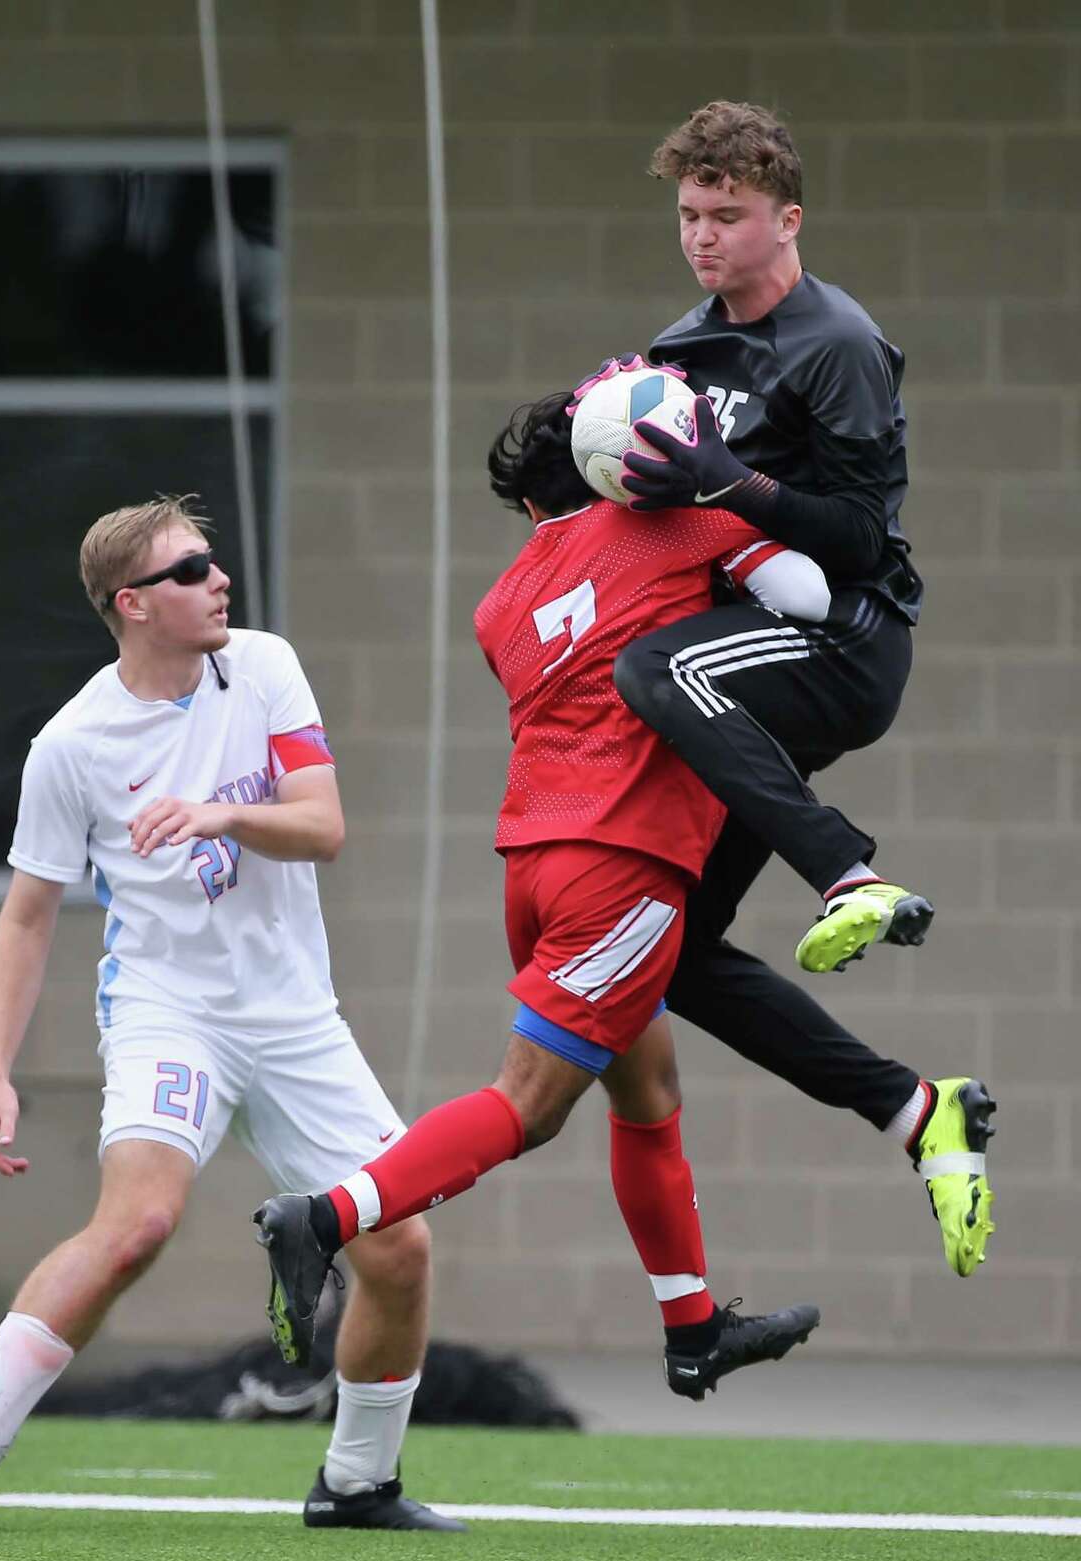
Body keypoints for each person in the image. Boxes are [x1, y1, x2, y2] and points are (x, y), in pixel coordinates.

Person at [254, 392, 827, 1405]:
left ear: (529, 506)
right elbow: (811, 596)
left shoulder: (502, 601)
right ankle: (330, 1217)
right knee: (530, 1105)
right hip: (627, 861)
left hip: (534, 863)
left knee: (646, 1090)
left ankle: (694, 1330)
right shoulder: (680, 520)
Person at [0, 497, 464, 1536]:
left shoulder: (262, 666)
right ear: (133, 604)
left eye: (214, 563)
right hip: (171, 1015)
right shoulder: (70, 744)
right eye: (193, 568)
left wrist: (221, 811)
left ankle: (356, 1483)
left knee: (401, 1248)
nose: (220, 580)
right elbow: (26, 918)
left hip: (296, 1018)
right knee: (137, 1228)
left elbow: (324, 827)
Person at [596, 102, 995, 1274]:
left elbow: (864, 543)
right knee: (674, 950)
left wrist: (734, 487)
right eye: (688, 215)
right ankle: (920, 1113)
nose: (704, 237)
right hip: (750, 659)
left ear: (788, 218)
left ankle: (848, 873)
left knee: (654, 666)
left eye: (728, 215)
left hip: (847, 643)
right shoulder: (678, 349)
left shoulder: (840, 344)